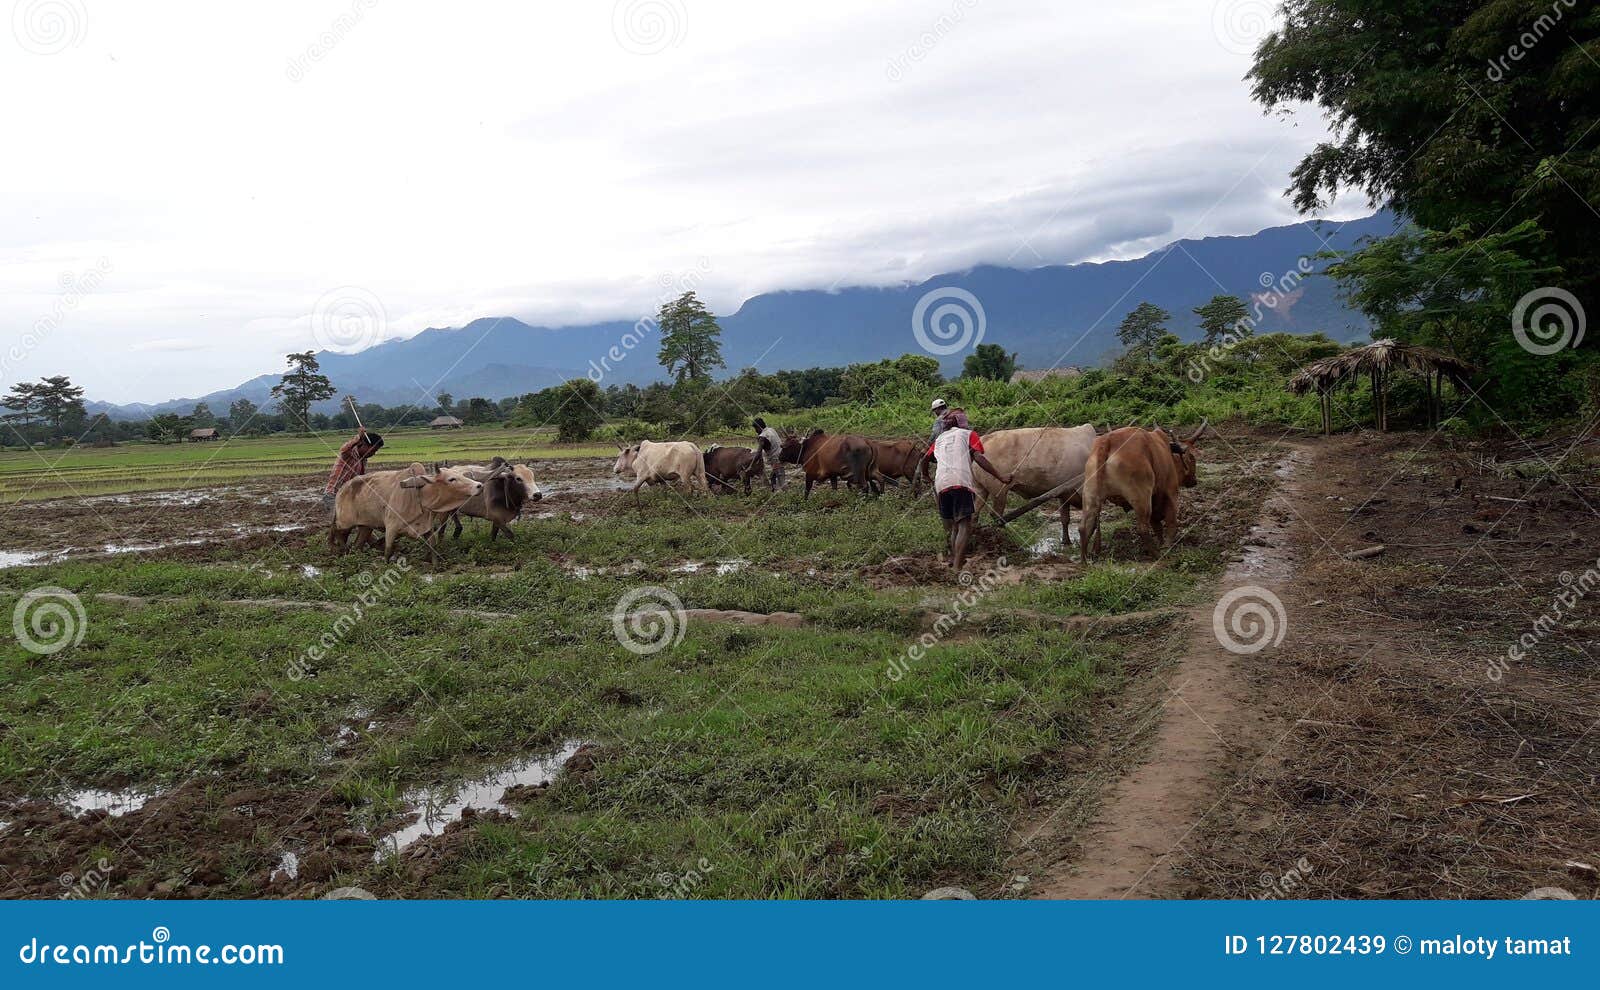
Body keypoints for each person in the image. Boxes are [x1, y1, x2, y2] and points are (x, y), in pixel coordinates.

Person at [926, 415, 1012, 573]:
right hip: (960, 481)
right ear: (962, 425)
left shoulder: (939, 439)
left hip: (941, 483)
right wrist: (1001, 477)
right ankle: (958, 567)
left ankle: (954, 559)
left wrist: (927, 476)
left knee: (954, 526)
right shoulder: (969, 434)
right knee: (965, 525)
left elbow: (926, 457)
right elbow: (978, 457)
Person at [322, 427, 383, 514]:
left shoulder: (363, 460)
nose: (373, 454)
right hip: (334, 495)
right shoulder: (348, 454)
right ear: (363, 444)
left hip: (347, 496)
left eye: (375, 451)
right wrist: (358, 437)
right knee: (340, 523)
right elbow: (344, 448)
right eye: (373, 450)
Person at [752, 417, 785, 491]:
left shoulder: (762, 437)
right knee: (774, 476)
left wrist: (750, 466)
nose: (756, 431)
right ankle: (774, 490)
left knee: (781, 478)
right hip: (781, 455)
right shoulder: (771, 429)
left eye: (756, 429)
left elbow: (758, 454)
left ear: (758, 427)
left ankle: (786, 494)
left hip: (775, 459)